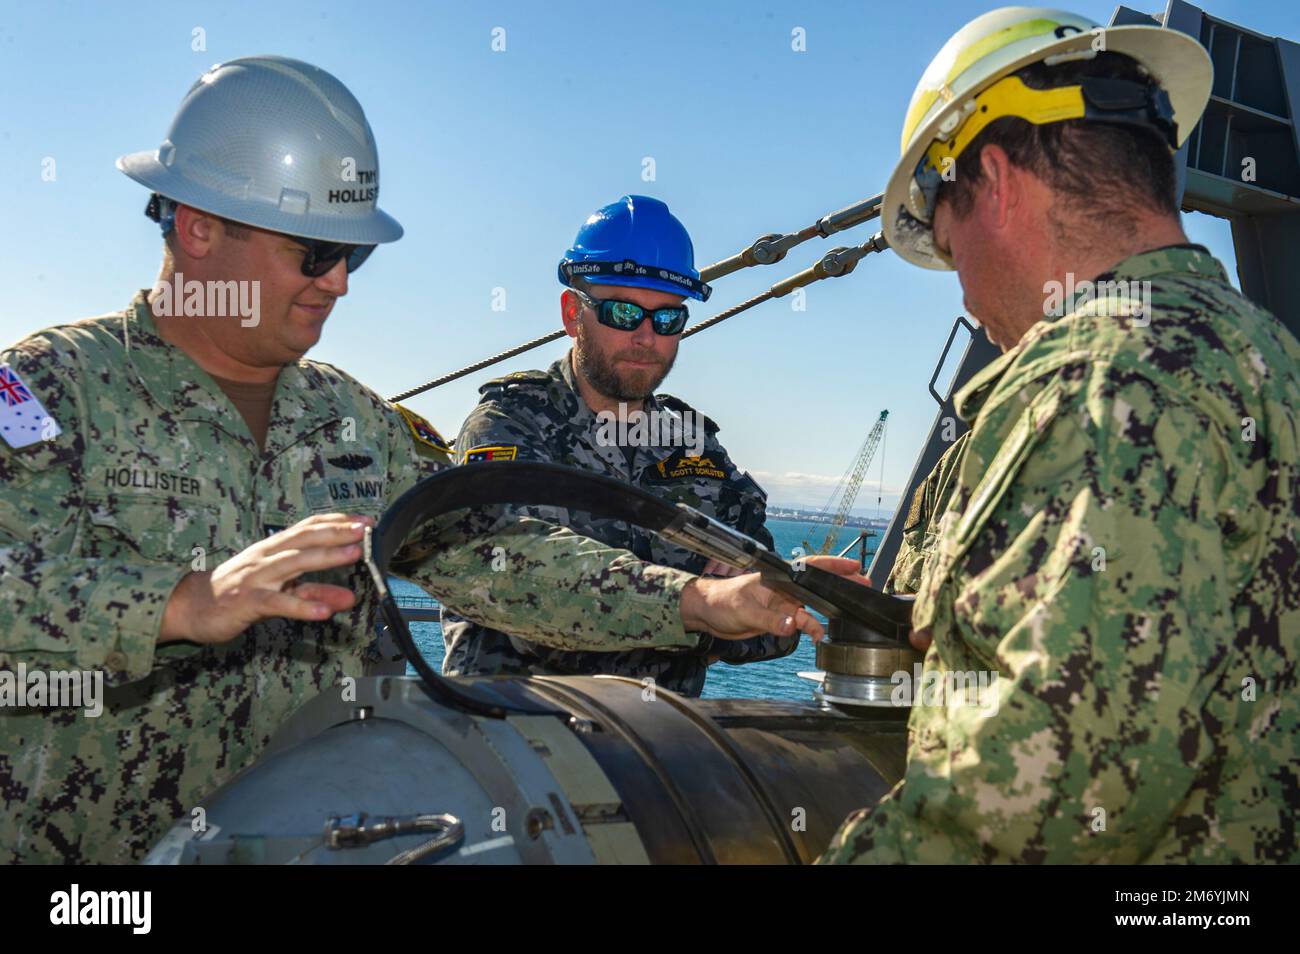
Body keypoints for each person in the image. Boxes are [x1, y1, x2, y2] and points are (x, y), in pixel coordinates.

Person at [0, 57, 835, 864]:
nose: (340, 285)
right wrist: (181, 603)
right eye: (315, 253)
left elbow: (501, 561)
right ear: (199, 227)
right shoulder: (53, 392)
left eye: (352, 256)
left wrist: (697, 600)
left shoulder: (357, 423)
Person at [821, 7, 1299, 863]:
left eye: (947, 237)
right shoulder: (1274, 360)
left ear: (995, 182)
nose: (964, 291)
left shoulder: (1098, 378)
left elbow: (1046, 788)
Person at [441, 196, 797, 696]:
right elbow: (512, 589)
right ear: (573, 314)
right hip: (514, 736)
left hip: (654, 748)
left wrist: (750, 601)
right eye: (623, 312)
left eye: (668, 319)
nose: (646, 337)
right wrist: (701, 604)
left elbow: (773, 626)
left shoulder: (694, 447)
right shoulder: (509, 426)